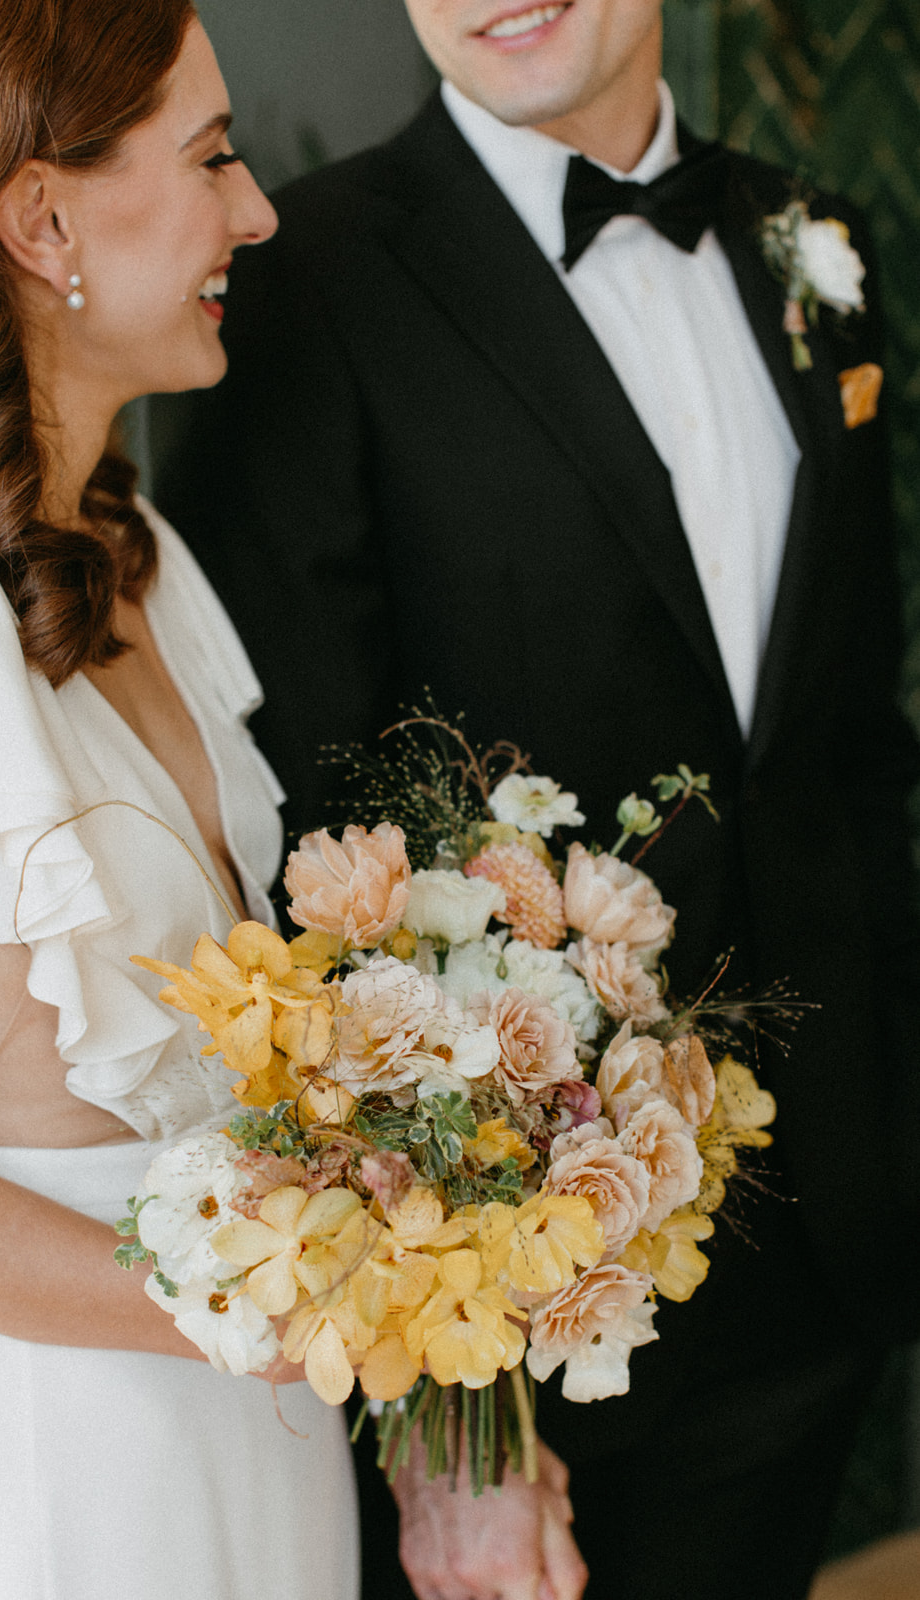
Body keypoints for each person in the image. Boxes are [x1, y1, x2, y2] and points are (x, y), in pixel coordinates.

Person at [152, 2, 920, 1598]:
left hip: (829, 1226)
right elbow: (292, 848)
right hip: (524, 1300)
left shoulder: (808, 234)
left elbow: (843, 733)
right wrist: (454, 1412)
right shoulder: (296, 279)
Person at [0, 2, 361, 1596]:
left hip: (261, 1438)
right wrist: (248, 1306)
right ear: (42, 219)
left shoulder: (140, 553)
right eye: (211, 158)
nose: (255, 211)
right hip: (52, 1472)